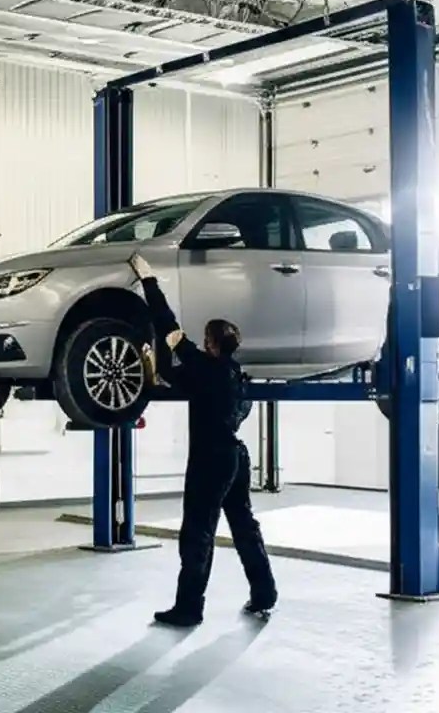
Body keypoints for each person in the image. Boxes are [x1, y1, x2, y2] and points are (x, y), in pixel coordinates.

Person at [128, 253, 277, 627]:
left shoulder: (202, 366)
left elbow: (166, 324)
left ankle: (189, 608)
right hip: (236, 456)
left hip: (210, 461)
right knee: (244, 525)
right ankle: (264, 592)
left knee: (197, 533)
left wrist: (148, 280)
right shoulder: (234, 372)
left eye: (205, 337)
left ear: (210, 343)